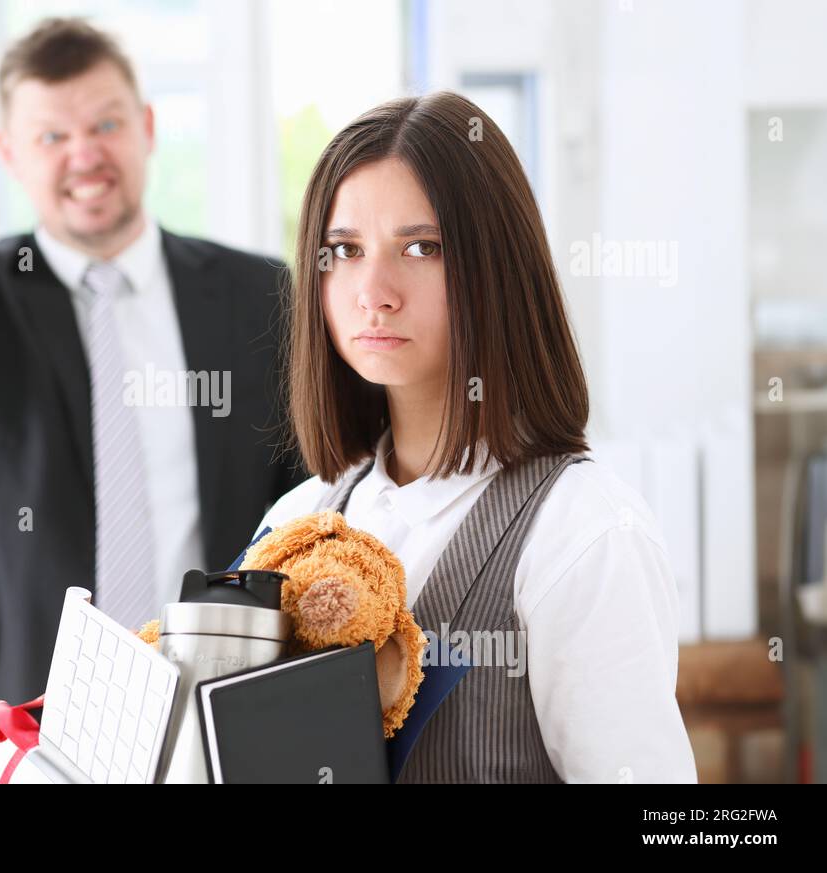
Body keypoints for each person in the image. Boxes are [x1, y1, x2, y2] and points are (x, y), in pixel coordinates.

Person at [0, 18, 303, 782]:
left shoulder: (257, 294)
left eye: (106, 123)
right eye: (51, 136)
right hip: (15, 709)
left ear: (147, 128)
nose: (84, 154)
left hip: (207, 709)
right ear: (9, 154)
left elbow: (306, 491)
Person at [255, 92, 698, 783]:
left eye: (422, 247)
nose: (374, 290)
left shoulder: (584, 532)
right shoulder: (295, 520)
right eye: (343, 250)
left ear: (498, 267)